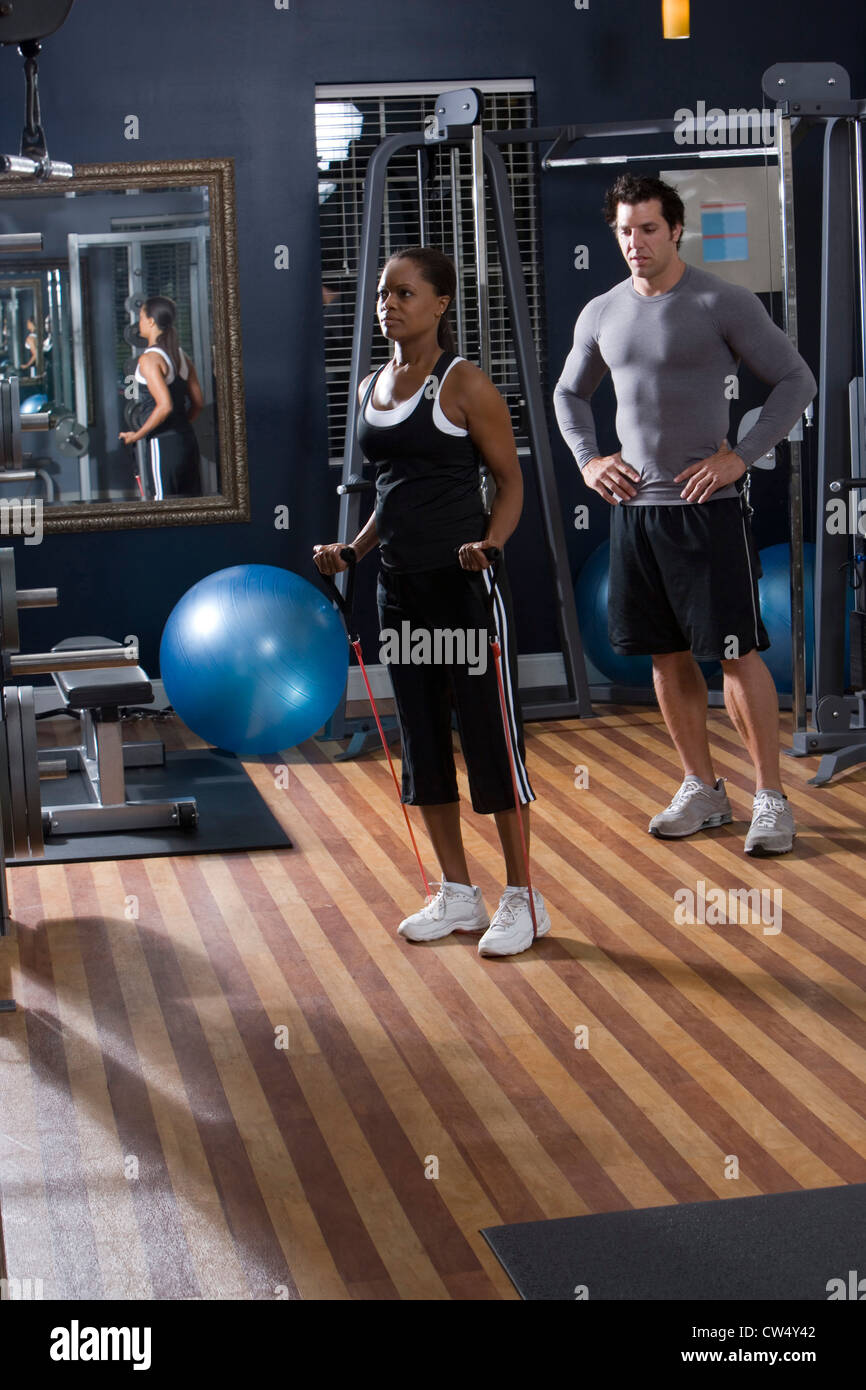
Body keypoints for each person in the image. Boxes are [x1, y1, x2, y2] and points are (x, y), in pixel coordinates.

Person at [554, 174, 817, 855]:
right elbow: (568, 396)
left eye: (647, 228)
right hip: (636, 514)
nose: (635, 242)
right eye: (624, 230)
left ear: (675, 230)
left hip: (707, 509)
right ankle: (702, 789)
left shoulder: (718, 301)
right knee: (666, 657)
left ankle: (769, 797)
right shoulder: (601, 312)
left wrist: (744, 456)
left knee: (734, 656)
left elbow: (796, 379)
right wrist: (588, 461)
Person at [314, 246, 549, 956]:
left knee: (489, 742)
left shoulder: (466, 385)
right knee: (421, 742)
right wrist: (354, 550)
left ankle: (523, 897)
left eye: (405, 293)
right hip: (401, 591)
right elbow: (393, 495)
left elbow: (509, 483)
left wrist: (492, 548)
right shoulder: (369, 388)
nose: (389, 303)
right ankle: (457, 892)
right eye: (384, 293)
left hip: (463, 589)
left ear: (441, 304)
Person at [119, 296, 204, 498]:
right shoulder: (182, 355)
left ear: (151, 321)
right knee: (193, 507)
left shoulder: (150, 359)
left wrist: (137, 435)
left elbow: (164, 406)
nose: (138, 323)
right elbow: (198, 404)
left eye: (140, 317)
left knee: (163, 509)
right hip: (187, 440)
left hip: (162, 444)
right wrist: (178, 427)